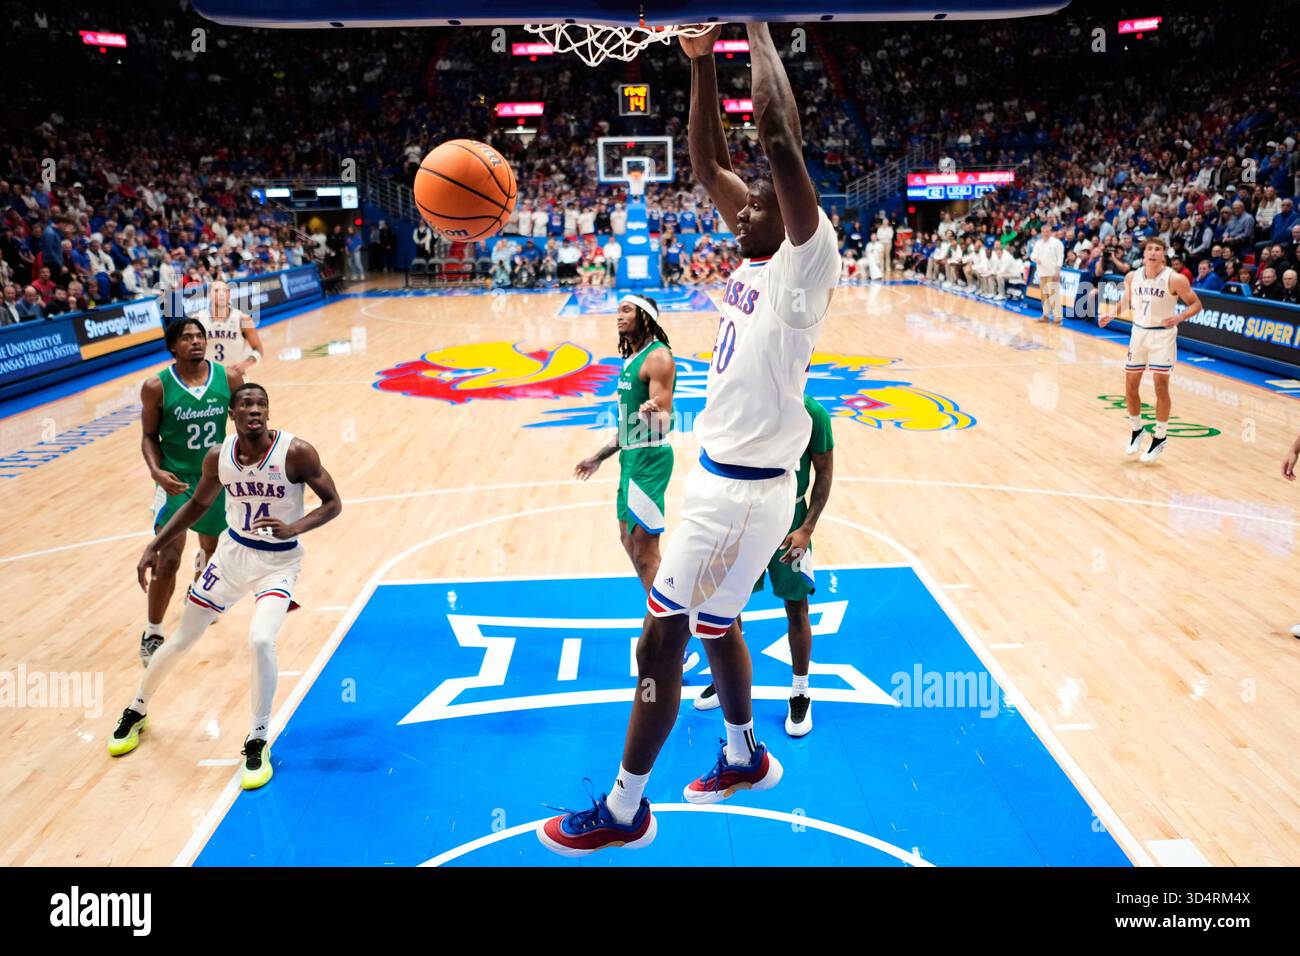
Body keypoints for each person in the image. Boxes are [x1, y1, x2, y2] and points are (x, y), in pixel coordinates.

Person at [539, 22, 840, 856]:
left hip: (741, 493)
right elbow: (709, 162)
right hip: (728, 482)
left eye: (757, 200)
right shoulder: (753, 248)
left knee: (660, 635)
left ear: (788, 212)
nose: (735, 205)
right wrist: (703, 62)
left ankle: (626, 807)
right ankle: (743, 753)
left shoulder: (804, 266)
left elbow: (779, 136)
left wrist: (755, 22)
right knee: (716, 625)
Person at [109, 384, 342, 790]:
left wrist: (294, 527)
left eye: (261, 404)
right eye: (247, 404)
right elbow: (198, 505)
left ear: (269, 411)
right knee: (183, 637)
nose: (255, 409)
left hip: (278, 562)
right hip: (231, 557)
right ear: (232, 413)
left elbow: (333, 503)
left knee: (260, 640)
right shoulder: (219, 457)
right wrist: (154, 545)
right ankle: (136, 709)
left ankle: (257, 737)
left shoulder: (297, 452)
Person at [695, 392, 834, 737]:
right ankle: (726, 679)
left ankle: (800, 690)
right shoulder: (748, 401)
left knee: (796, 607)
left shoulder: (813, 413)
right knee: (729, 605)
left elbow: (825, 472)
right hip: (747, 518)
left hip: (792, 520)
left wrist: (807, 528)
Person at [137, 319, 244, 665]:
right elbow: (149, 436)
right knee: (168, 558)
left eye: (200, 336)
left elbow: (245, 424)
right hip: (175, 481)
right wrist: (156, 471)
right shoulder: (157, 386)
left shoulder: (228, 378)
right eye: (187, 338)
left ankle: (199, 583)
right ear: (173, 347)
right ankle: (153, 632)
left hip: (216, 478)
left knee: (213, 548)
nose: (196, 342)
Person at [574, 295, 676, 591]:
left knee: (645, 550)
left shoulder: (658, 357)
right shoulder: (631, 359)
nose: (619, 315)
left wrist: (654, 415)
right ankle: (660, 604)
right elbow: (630, 425)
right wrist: (599, 456)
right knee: (627, 538)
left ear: (645, 317)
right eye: (618, 310)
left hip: (650, 458)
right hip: (630, 457)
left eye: (626, 310)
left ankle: (666, 616)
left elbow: (664, 423)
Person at [1100, 237, 1203, 463]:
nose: (1153, 253)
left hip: (1162, 335)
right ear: (1144, 254)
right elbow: (1127, 300)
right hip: (1139, 333)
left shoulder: (1175, 279)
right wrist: (1112, 313)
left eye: (1158, 249)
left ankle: (1160, 436)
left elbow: (1196, 304)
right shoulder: (1132, 276)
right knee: (1130, 385)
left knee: (1160, 385)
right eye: (1149, 249)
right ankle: (1137, 430)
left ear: (1164, 254)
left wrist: (1180, 316)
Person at [195, 279, 262, 374]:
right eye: (216, 290)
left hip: (237, 377)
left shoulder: (244, 319)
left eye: (225, 291)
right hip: (209, 378)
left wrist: (246, 363)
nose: (221, 294)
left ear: (229, 294)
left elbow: (258, 350)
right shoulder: (197, 320)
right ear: (209, 295)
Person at [1030, 223, 1065, 323]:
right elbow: (1032, 255)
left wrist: (1057, 271)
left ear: (1051, 232)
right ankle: (1045, 316)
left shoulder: (1057, 243)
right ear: (1041, 232)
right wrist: (1035, 258)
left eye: (1048, 231)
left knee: (1054, 295)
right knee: (1044, 296)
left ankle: (1057, 318)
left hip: (1053, 272)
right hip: (1041, 273)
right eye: (1044, 231)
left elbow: (1060, 257)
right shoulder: (1038, 243)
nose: (1046, 233)